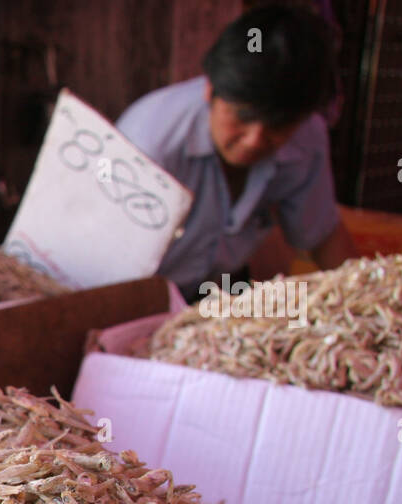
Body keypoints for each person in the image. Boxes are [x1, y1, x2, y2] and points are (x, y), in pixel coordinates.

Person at [117, 3, 357, 301]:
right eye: (242, 116)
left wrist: (367, 303)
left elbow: (322, 237)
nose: (255, 140)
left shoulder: (306, 136)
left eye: (278, 125)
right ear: (210, 90)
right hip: (142, 297)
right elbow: (109, 268)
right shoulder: (149, 143)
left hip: (221, 289)